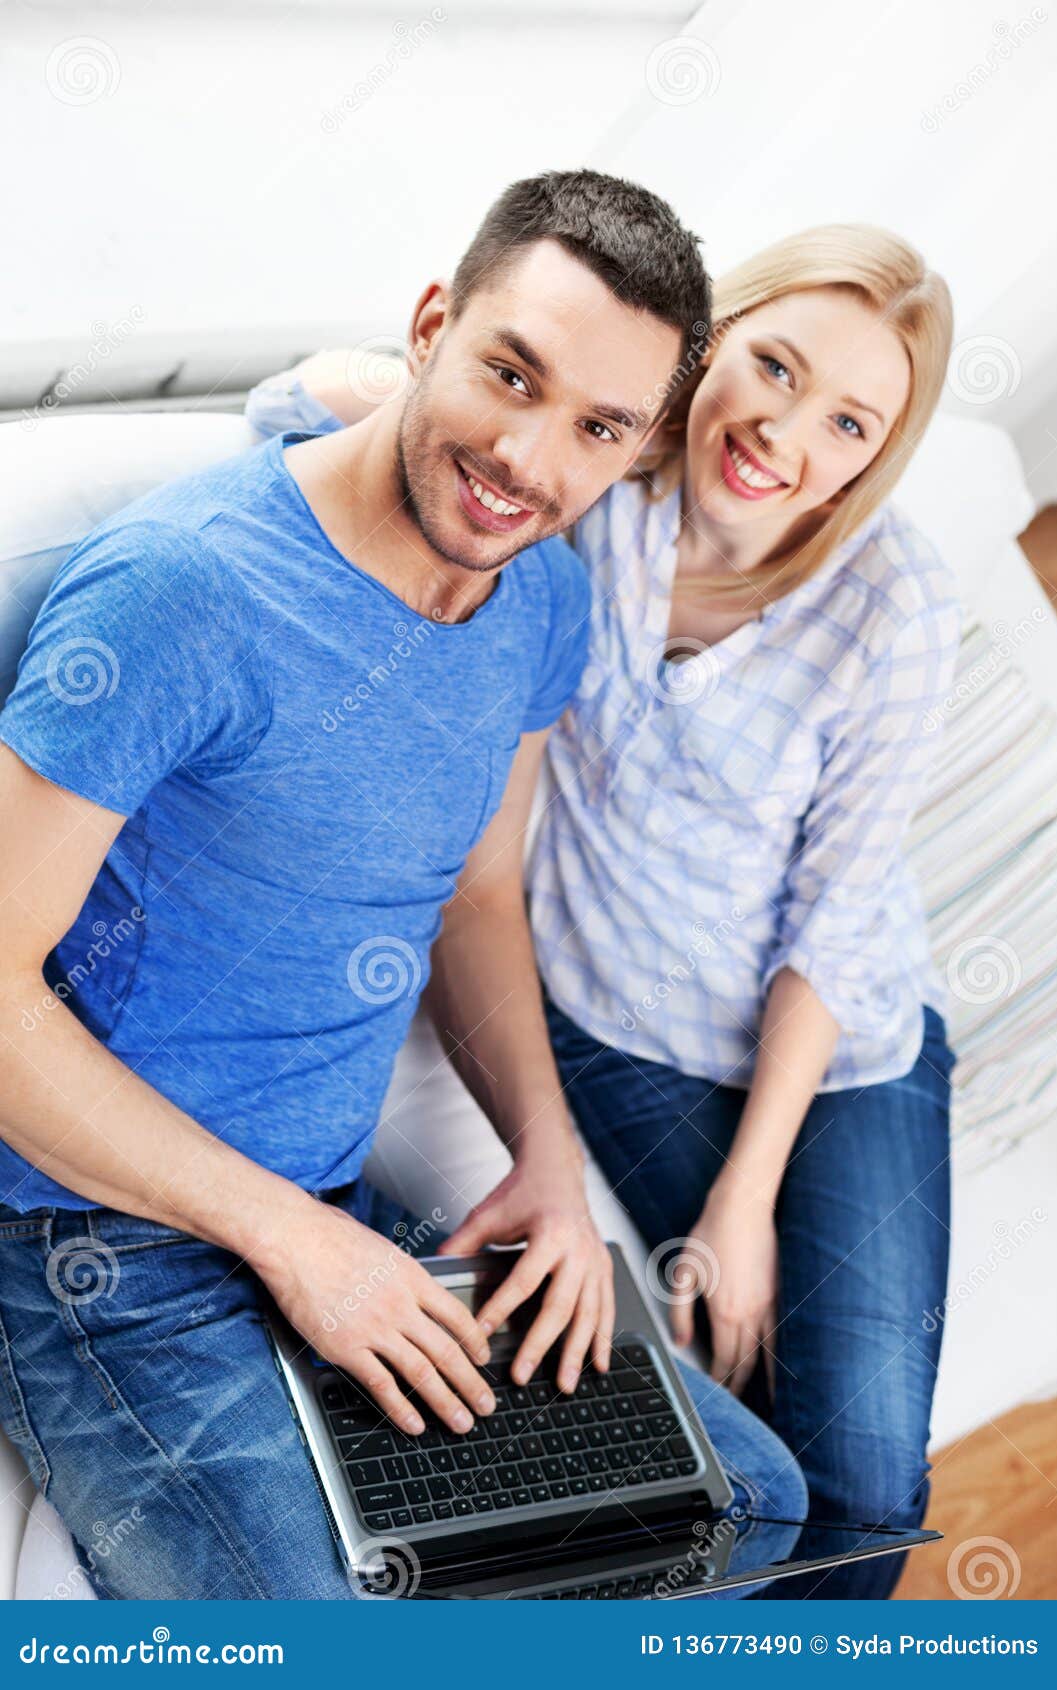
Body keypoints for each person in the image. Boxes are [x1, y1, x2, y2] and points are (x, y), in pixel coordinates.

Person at [0, 170, 805, 1599]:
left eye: (598, 427)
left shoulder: (540, 598)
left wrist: (548, 1167)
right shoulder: (179, 594)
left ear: (636, 447)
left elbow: (479, 897)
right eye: (511, 373)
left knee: (747, 1502)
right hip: (96, 1248)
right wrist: (291, 1240)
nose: (527, 459)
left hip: (334, 1213)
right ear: (432, 325)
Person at [257, 222, 962, 1599]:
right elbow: (303, 404)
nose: (783, 433)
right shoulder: (595, 485)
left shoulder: (896, 609)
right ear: (713, 341)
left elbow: (837, 919)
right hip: (620, 1026)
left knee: (871, 1490)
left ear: (876, 457)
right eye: (773, 365)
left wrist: (745, 1202)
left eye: (848, 422)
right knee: (750, 1433)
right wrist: (420, 376)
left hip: (841, 1048)